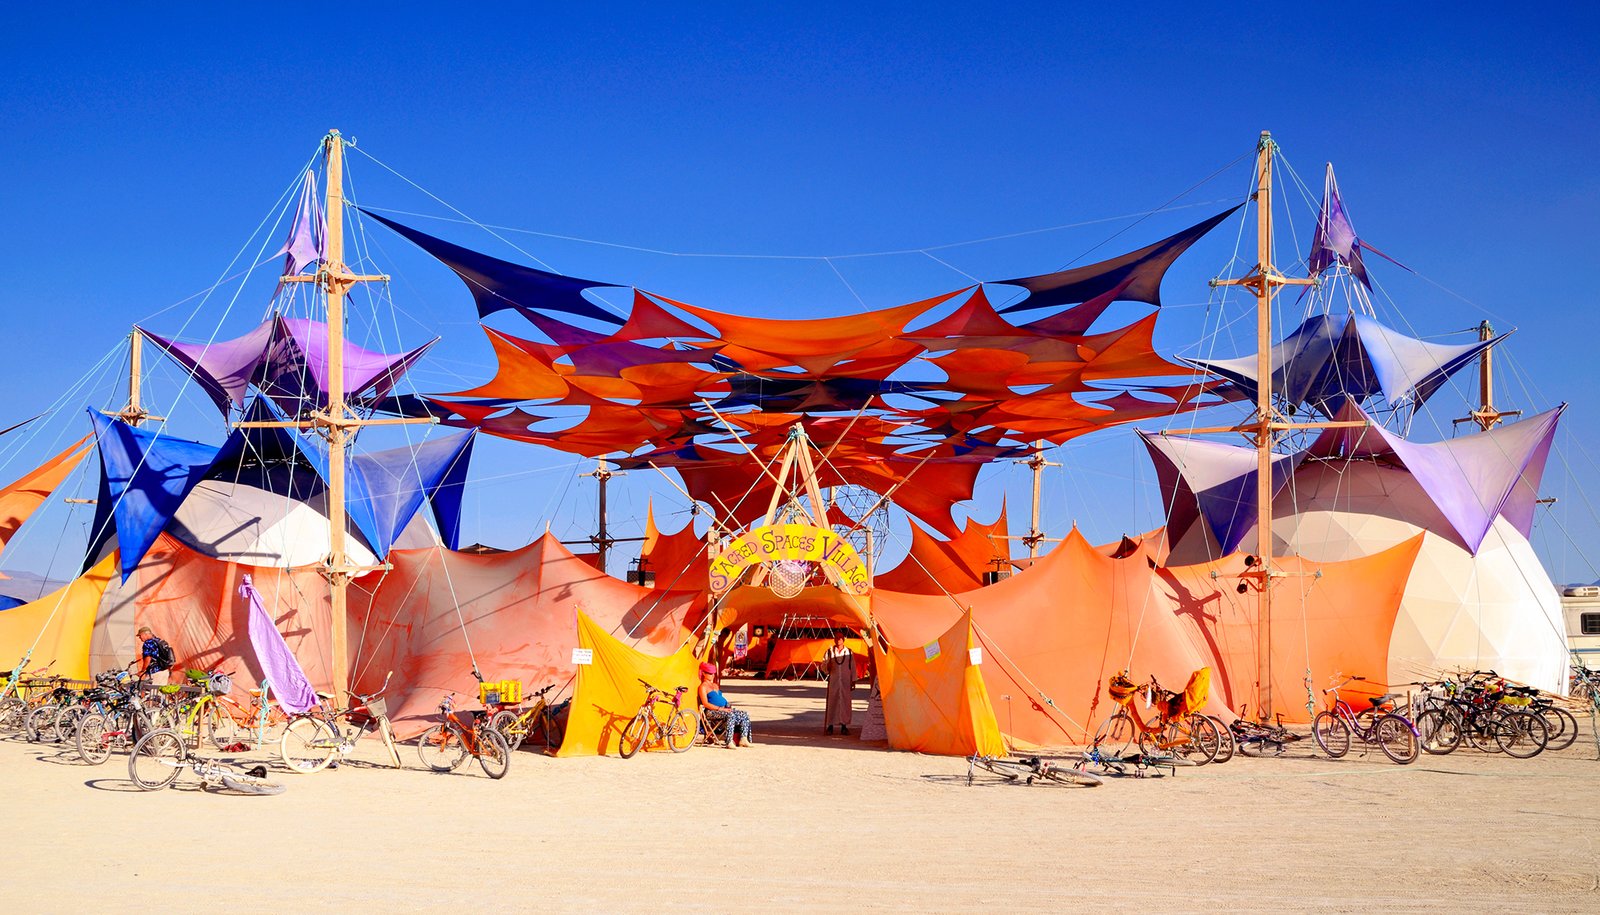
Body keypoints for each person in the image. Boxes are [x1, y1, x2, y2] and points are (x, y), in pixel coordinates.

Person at [697, 662, 753, 748]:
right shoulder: (703, 687)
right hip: (711, 711)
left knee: (744, 714)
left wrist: (726, 706)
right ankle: (729, 741)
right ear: (704, 673)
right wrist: (720, 709)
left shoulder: (715, 685)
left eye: (713, 673)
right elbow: (705, 703)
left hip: (724, 709)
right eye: (710, 673)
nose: (712, 675)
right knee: (730, 715)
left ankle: (743, 738)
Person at [824, 632, 855, 735]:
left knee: (845, 703)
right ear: (834, 639)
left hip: (845, 681)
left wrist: (853, 680)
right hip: (834, 681)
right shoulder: (829, 652)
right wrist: (827, 667)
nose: (838, 640)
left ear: (843, 639)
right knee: (832, 702)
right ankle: (830, 726)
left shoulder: (849, 652)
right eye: (837, 638)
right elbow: (823, 666)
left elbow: (853, 668)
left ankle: (844, 726)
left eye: (840, 638)